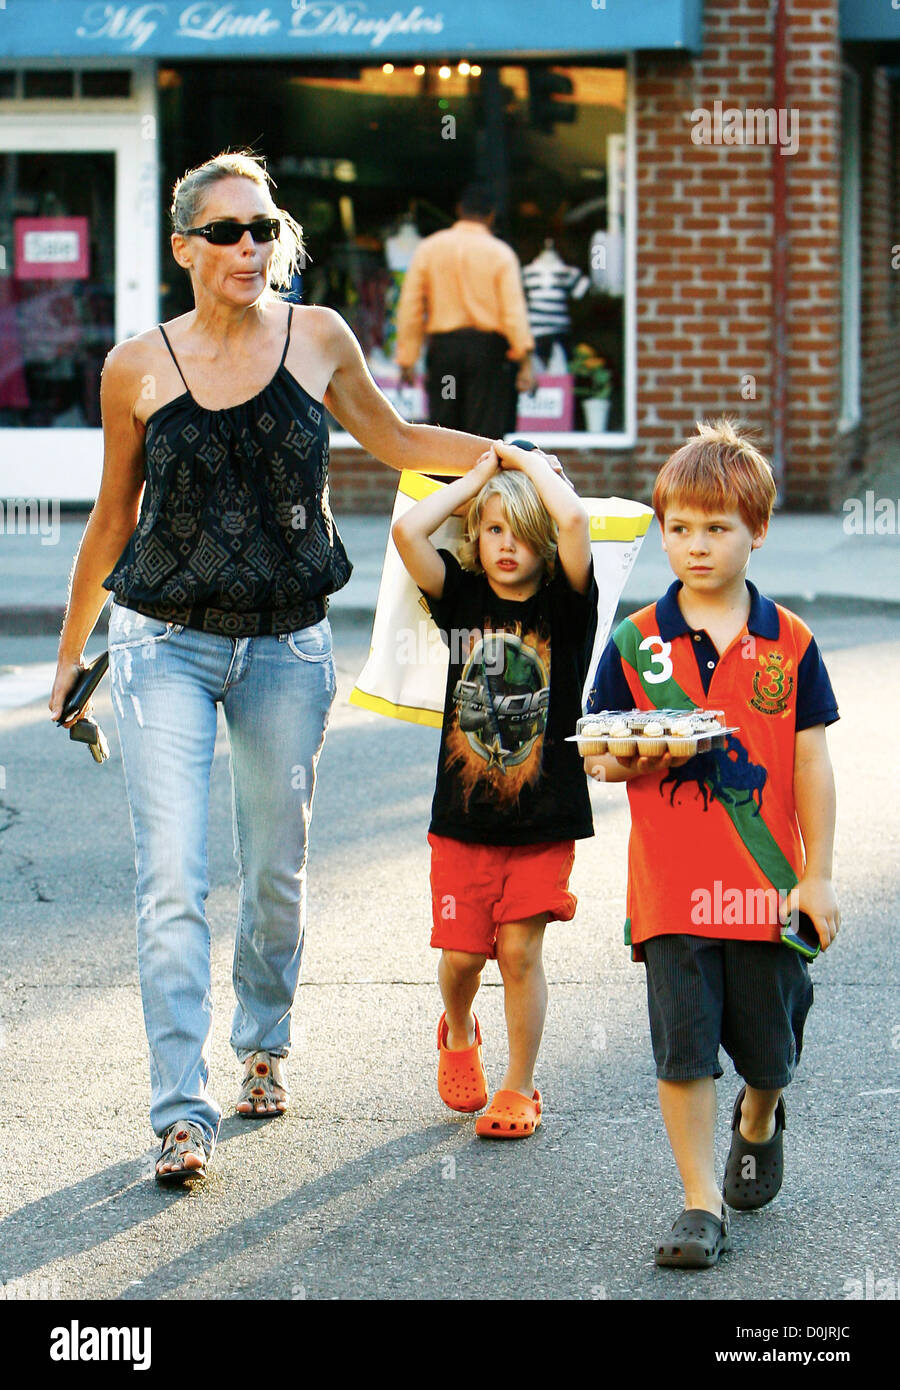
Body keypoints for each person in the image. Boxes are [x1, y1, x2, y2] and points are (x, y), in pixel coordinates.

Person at [48, 151, 509, 1185]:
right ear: (184, 250)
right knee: (171, 876)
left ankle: (263, 1039)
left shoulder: (318, 339)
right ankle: (179, 1110)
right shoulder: (138, 366)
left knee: (275, 868)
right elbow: (113, 518)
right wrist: (74, 650)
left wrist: (507, 455)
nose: (250, 248)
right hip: (162, 637)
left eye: (262, 229)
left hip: (289, 643)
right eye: (227, 233)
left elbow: (393, 439)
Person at [584, 419, 840, 1267]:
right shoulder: (634, 644)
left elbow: (810, 763)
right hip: (672, 892)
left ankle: (760, 1114)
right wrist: (617, 758)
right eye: (679, 527)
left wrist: (819, 876)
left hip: (765, 893)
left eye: (717, 528)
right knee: (683, 1048)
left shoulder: (792, 642)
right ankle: (699, 1204)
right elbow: (596, 747)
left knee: (772, 1049)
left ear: (757, 531)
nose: (694, 546)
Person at [392, 439, 598, 1138]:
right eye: (494, 529)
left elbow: (576, 525)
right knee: (460, 958)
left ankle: (519, 1086)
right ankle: (457, 1028)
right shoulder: (462, 601)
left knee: (518, 952)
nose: (507, 545)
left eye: (521, 531)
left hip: (544, 820)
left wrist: (530, 467)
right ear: (478, 536)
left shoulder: (566, 610)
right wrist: (482, 476)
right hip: (464, 822)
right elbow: (407, 531)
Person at [394, 184, 536, 437]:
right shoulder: (500, 254)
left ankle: (443, 478)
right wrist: (525, 362)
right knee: (484, 437)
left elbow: (410, 307)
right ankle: (480, 477)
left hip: (445, 351)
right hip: (487, 353)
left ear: (459, 210)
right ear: (492, 215)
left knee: (443, 433)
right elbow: (513, 313)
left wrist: (407, 358)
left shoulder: (429, 248)